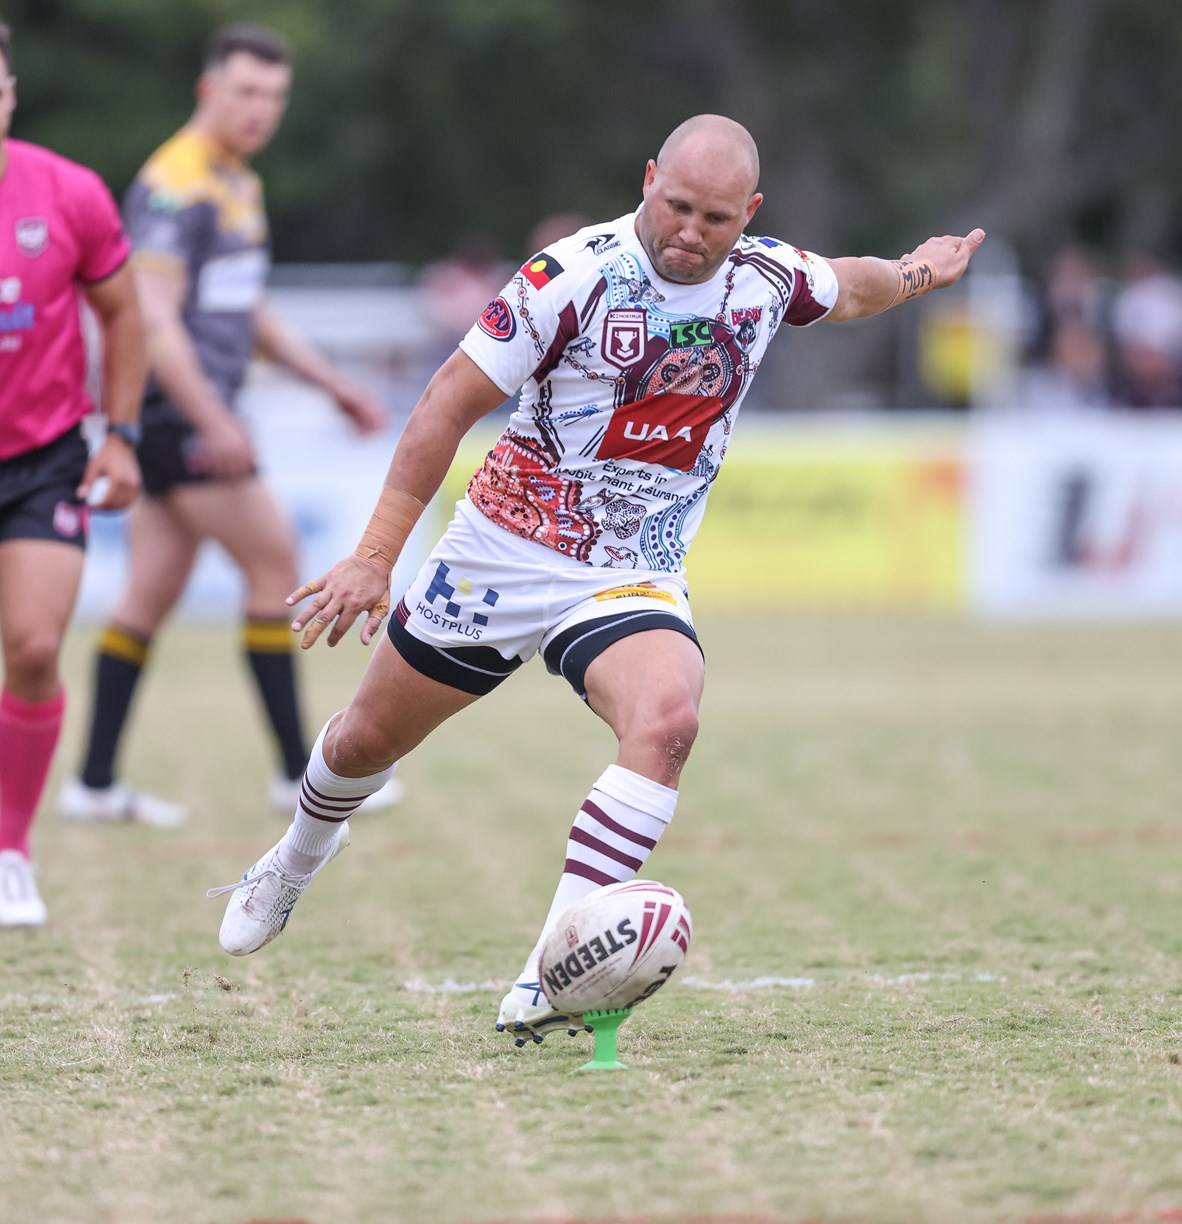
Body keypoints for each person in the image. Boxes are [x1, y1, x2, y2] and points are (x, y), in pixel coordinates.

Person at [209, 114, 985, 1043]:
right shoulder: (569, 276)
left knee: (668, 720)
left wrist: (917, 272)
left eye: (718, 218)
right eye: (678, 207)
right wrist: (377, 554)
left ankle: (549, 974)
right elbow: (444, 405)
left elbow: (847, 290)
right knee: (365, 744)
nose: (692, 233)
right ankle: (297, 856)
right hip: (503, 549)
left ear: (752, 215)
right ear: (649, 179)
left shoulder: (767, 275)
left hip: (631, 573)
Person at [58, 24, 402, 829]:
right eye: (247, 92)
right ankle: (295, 775)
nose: (262, 110)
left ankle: (96, 783)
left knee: (151, 590)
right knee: (275, 558)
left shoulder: (235, 182)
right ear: (208, 90)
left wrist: (331, 384)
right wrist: (213, 418)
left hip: (184, 413)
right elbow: (154, 319)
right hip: (174, 411)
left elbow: (247, 313)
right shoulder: (176, 183)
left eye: (275, 96)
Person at [0, 21, 147, 925]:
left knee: (35, 647)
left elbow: (123, 316)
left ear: (11, 89)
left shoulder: (69, 192)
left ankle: (10, 851)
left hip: (44, 457)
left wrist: (120, 436)